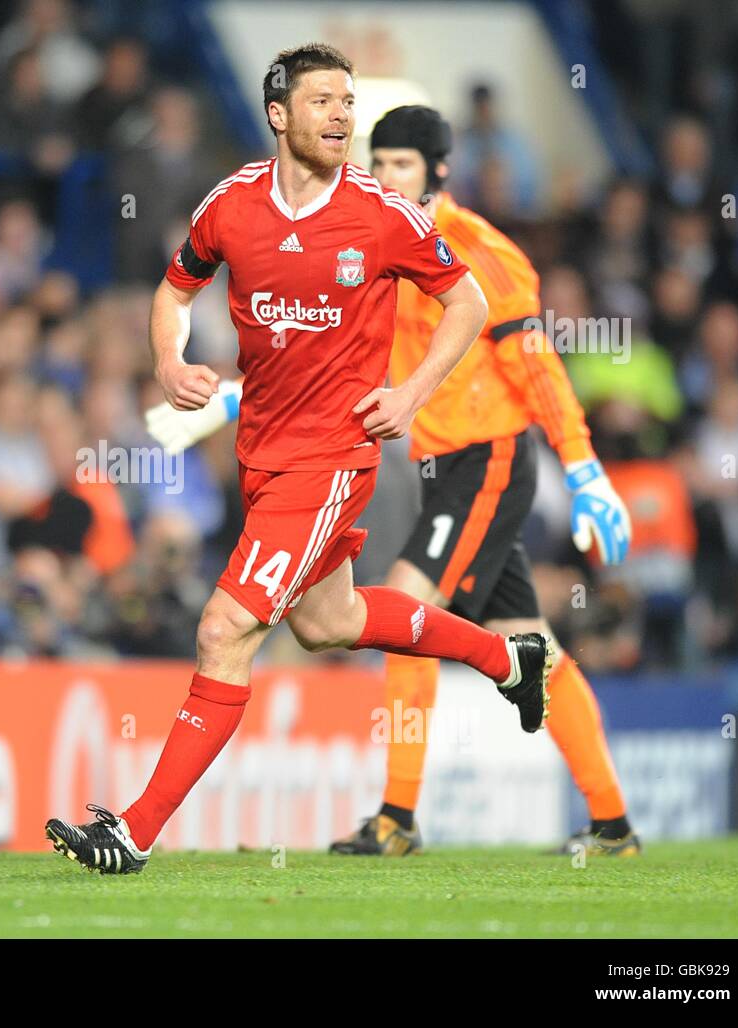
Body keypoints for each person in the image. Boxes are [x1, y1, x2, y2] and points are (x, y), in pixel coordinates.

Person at [44, 46, 553, 876]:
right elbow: (175, 290)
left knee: (223, 629)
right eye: (322, 101)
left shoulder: (383, 213)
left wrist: (414, 392)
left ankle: (132, 833)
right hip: (263, 455)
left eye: (347, 101)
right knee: (329, 623)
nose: (341, 115)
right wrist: (170, 363)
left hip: (334, 455)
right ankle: (508, 659)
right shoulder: (231, 205)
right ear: (279, 115)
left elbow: (468, 299)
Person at [146, 105, 641, 858]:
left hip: (488, 460)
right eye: (379, 163)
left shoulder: (477, 250)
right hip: (442, 468)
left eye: (404, 165)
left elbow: (532, 360)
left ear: (440, 172)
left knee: (407, 607)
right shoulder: (384, 240)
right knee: (527, 639)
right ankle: (613, 825)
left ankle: (397, 819)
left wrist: (584, 468)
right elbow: (334, 367)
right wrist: (227, 402)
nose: (386, 177)